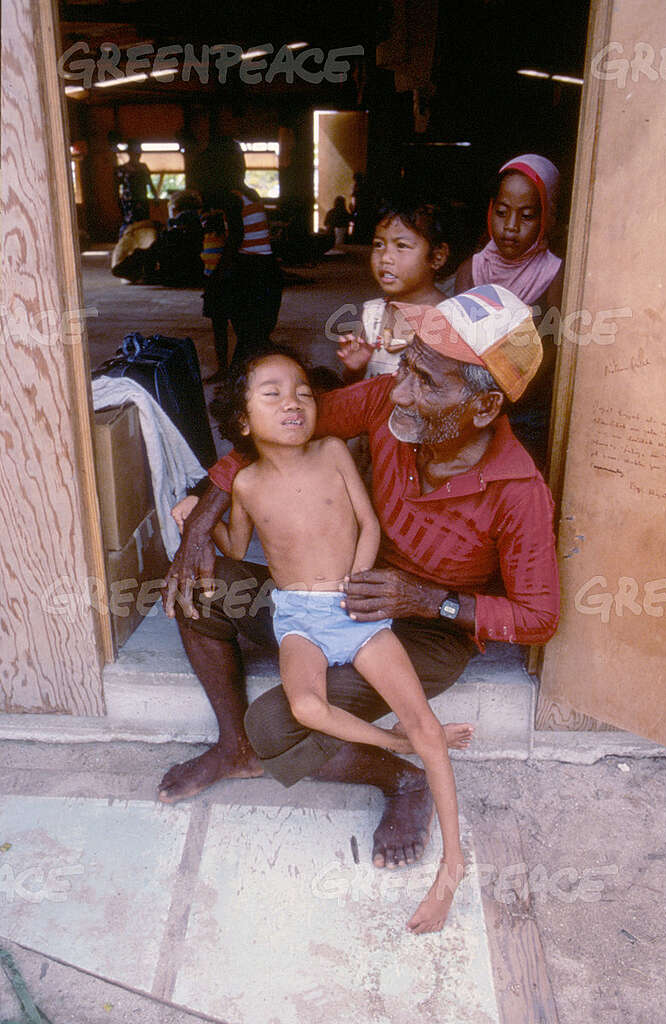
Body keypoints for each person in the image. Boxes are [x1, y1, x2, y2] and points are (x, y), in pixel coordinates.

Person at [206, 348, 474, 931]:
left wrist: (358, 583)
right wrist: (193, 516)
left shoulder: (332, 451)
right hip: (298, 616)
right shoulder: (247, 483)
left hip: (356, 607)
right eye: (271, 393)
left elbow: (369, 521)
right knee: (305, 705)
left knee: (427, 724)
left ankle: (452, 869)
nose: (293, 401)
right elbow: (234, 548)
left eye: (302, 390)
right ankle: (395, 747)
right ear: (244, 420)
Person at [454, 154, 565, 467]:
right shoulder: (472, 271)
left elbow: (554, 349)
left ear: (547, 217)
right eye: (501, 213)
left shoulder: (554, 276)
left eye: (527, 215)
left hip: (529, 413)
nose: (510, 227)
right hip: (476, 406)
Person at [338, 198, 452, 382]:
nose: (385, 258)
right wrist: (355, 368)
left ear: (437, 257)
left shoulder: (450, 317)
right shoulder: (373, 314)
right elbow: (354, 387)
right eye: (379, 244)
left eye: (401, 246)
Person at [198, 138, 283, 384]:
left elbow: (236, 238)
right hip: (265, 269)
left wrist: (216, 277)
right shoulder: (249, 193)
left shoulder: (231, 198)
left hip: (251, 269)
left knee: (249, 335)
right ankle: (236, 374)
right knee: (252, 334)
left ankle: (237, 379)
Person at [114, 140, 158, 235]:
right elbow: (116, 187)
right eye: (136, 152)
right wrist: (118, 202)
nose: (138, 155)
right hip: (128, 203)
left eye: (139, 152)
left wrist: (156, 197)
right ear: (130, 153)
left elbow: (149, 183)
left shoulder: (143, 167)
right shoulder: (122, 169)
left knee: (143, 225)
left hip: (142, 201)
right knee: (129, 226)